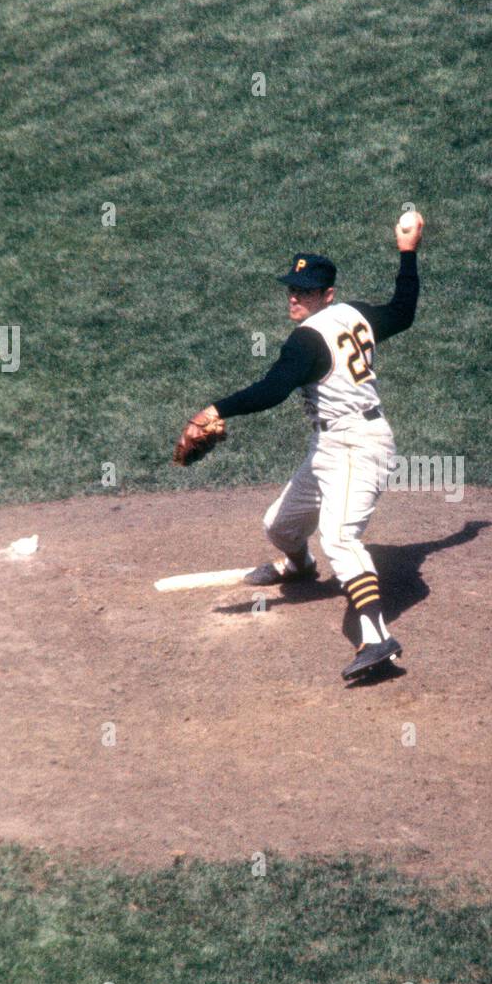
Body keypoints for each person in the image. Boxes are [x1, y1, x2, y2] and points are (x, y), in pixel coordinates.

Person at [174, 212, 423, 680]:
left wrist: (214, 410)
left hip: (359, 444)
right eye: (292, 287)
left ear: (326, 294)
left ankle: (377, 638)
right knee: (279, 527)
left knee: (341, 539)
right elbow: (403, 311)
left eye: (304, 290)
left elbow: (272, 389)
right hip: (330, 444)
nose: (294, 295)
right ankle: (299, 567)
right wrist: (408, 252)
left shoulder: (307, 340)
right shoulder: (355, 314)